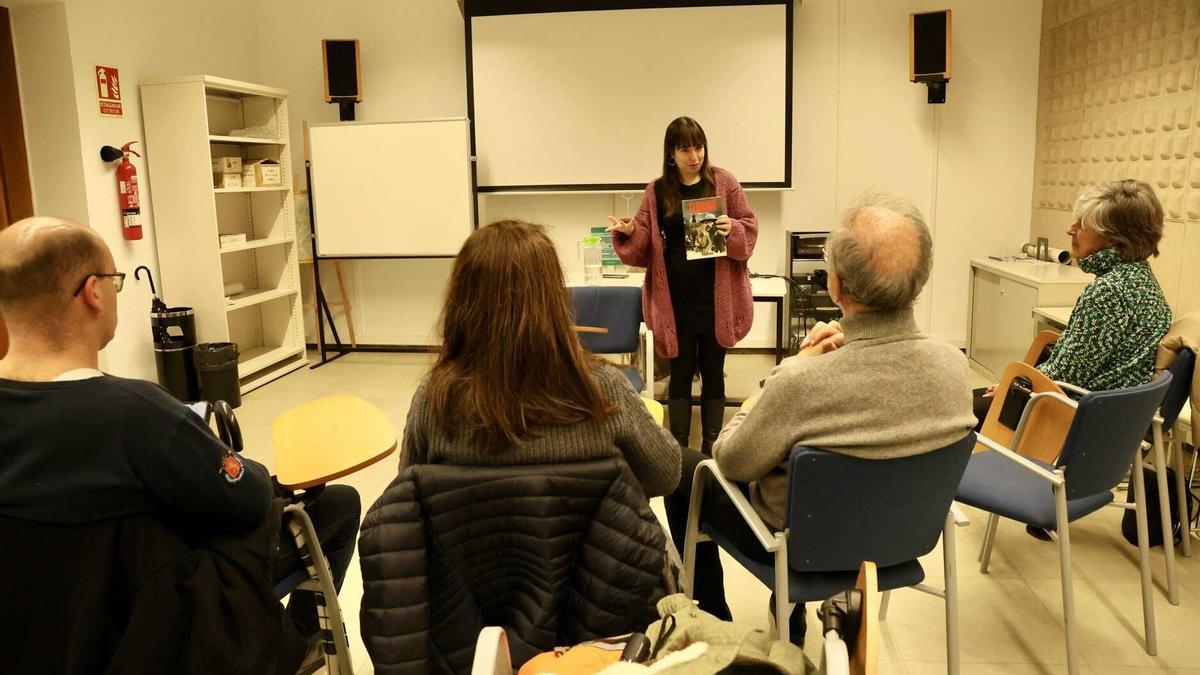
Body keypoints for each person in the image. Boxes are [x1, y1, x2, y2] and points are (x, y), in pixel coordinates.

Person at [0, 217, 360, 672]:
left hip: (48, 625)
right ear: (93, 292)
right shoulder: (135, 413)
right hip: (153, 616)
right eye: (115, 282)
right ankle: (294, 645)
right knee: (338, 505)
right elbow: (246, 500)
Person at [666, 193, 976, 642]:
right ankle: (791, 610)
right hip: (902, 540)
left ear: (836, 286)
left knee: (683, 468)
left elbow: (731, 460)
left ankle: (715, 614)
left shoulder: (802, 380)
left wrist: (791, 369)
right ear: (919, 282)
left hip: (796, 547)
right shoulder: (954, 368)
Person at [400, 219, 681, 498]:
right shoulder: (602, 388)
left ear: (461, 301)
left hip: (466, 543)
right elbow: (666, 475)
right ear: (554, 297)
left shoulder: (434, 397)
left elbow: (408, 493)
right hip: (585, 542)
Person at [607, 116, 759, 454]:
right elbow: (646, 237)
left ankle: (711, 447)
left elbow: (748, 228)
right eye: (685, 148)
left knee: (713, 370)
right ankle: (676, 448)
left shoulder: (724, 183)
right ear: (671, 153)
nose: (695, 155)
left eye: (699, 146)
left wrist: (730, 228)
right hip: (674, 298)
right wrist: (630, 232)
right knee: (679, 370)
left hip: (716, 297)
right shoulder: (658, 190)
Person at [972, 180, 1173, 424]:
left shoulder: (1108, 292)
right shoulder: (1142, 278)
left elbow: (1065, 376)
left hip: (1073, 417)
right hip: (1114, 416)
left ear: (1112, 238)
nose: (1071, 229)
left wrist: (1009, 385)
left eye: (1082, 224)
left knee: (960, 410)